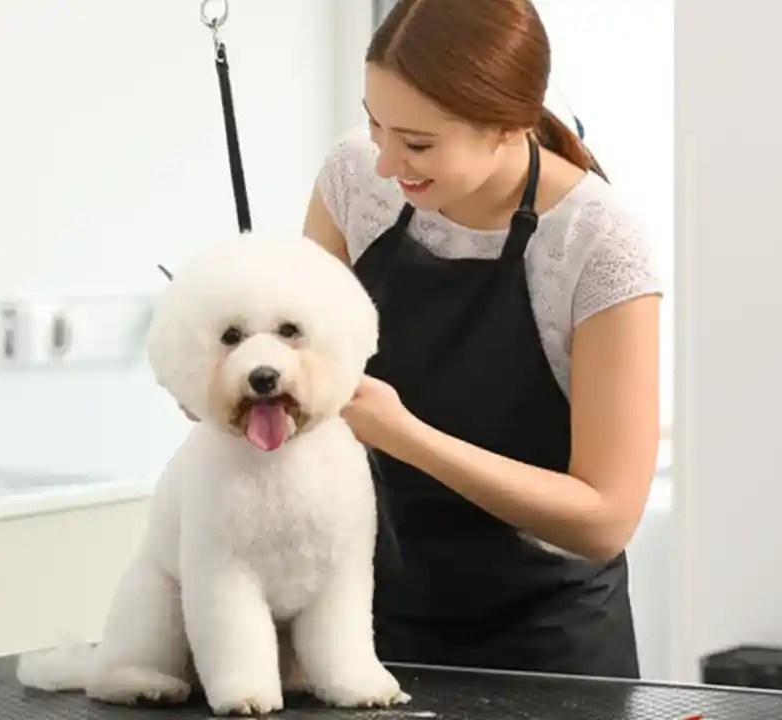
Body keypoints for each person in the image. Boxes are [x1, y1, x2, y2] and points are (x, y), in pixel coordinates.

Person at [299, 0, 662, 678]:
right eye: (376, 125)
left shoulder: (598, 244)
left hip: (548, 644)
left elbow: (604, 519)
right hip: (369, 621)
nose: (384, 163)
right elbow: (305, 364)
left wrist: (405, 435)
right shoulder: (356, 181)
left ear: (508, 126)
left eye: (417, 143)